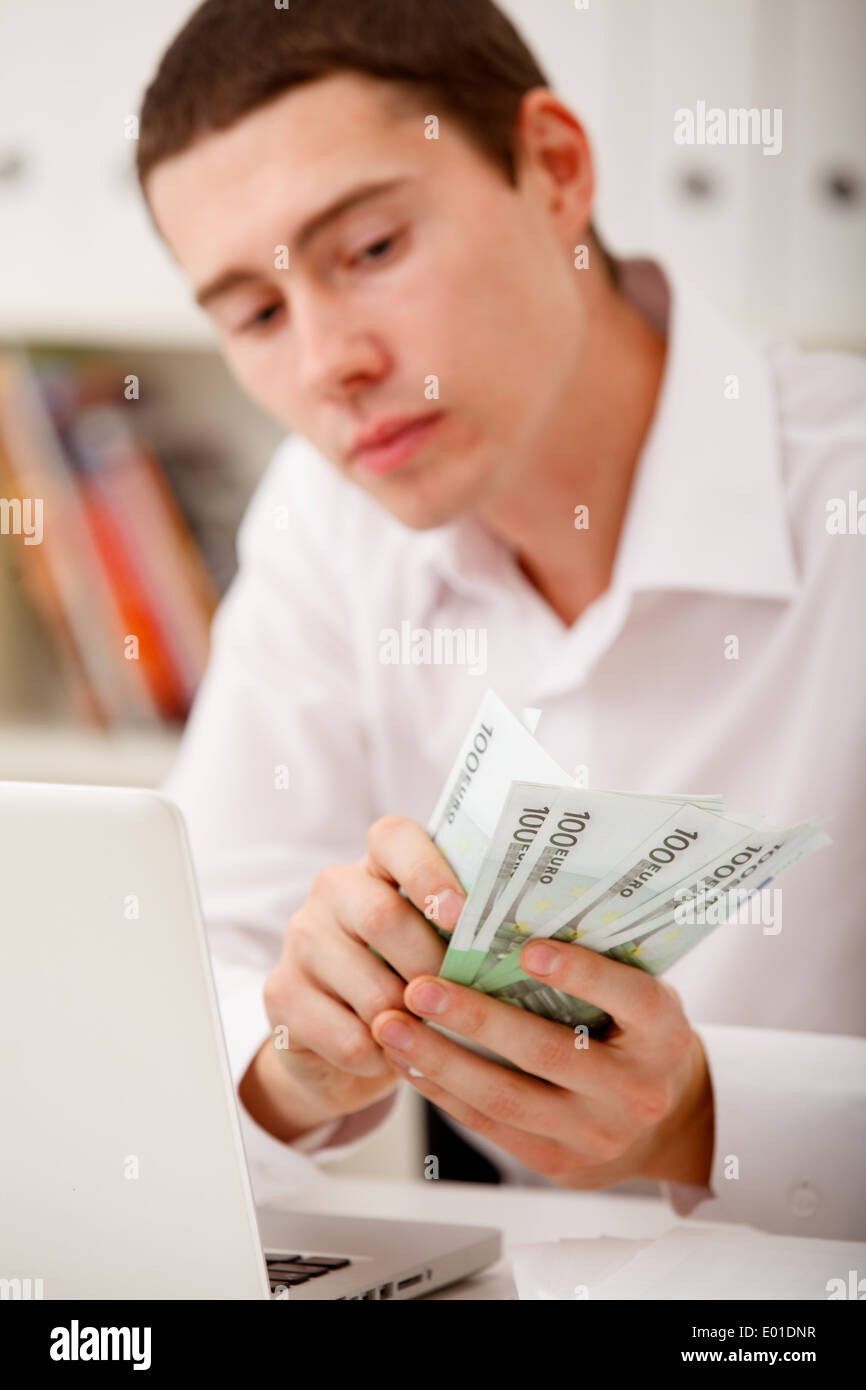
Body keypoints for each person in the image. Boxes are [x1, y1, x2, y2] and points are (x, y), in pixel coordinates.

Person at [136, 0, 865, 1237]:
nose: (326, 362)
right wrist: (294, 1059)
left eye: (367, 248)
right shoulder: (326, 521)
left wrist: (705, 1114)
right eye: (256, 316)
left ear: (556, 172)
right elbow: (168, 1003)